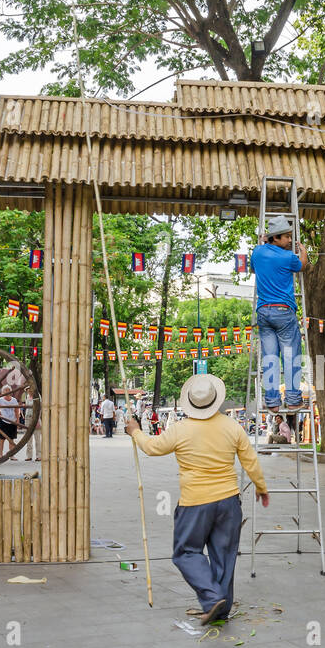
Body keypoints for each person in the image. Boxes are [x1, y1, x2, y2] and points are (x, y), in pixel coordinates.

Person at [127, 374, 270, 625]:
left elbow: (152, 448)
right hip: (228, 501)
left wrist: (135, 432)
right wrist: (261, 487)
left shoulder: (181, 430)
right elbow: (251, 461)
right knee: (223, 556)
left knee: (186, 552)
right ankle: (220, 608)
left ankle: (213, 597)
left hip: (195, 502)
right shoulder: (232, 427)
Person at [251, 216, 308, 412]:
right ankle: (293, 400)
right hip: (283, 311)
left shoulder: (257, 252)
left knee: (270, 358)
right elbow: (303, 265)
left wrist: (265, 241)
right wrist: (304, 251)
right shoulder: (287, 257)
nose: (290, 241)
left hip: (263, 312)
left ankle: (272, 402)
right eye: (287, 237)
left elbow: (254, 266)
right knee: (291, 356)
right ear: (275, 238)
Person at [0, 390, 21, 457]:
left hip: (12, 421)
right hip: (3, 421)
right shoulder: (0, 400)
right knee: (2, 439)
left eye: (8, 391)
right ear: (3, 393)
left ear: (10, 392)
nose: (6, 393)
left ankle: (11, 455)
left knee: (11, 439)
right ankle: (1, 454)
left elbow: (17, 410)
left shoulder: (14, 400)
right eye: (5, 391)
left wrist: (17, 421)